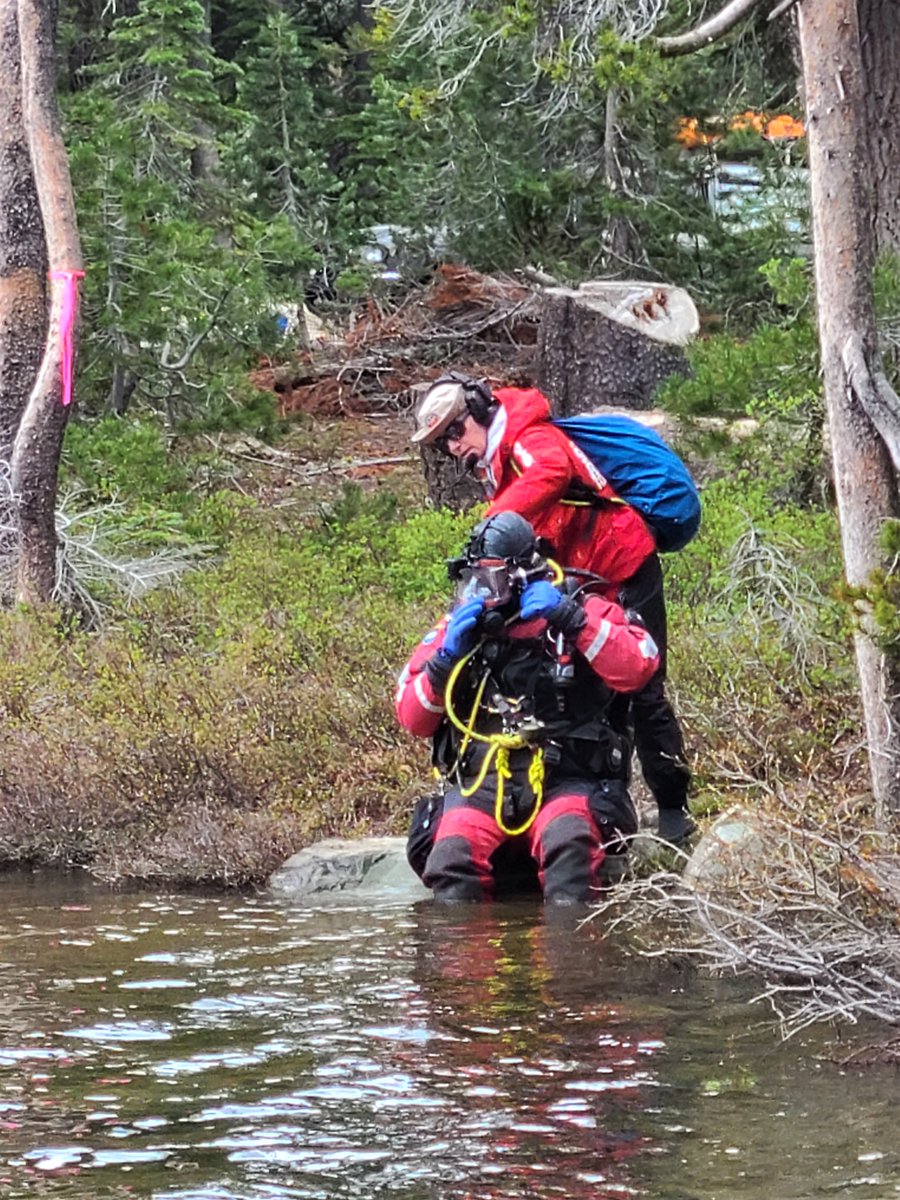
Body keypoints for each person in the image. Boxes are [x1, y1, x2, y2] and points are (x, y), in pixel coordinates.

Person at [410, 372, 695, 844]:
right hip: (580, 582)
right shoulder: (501, 464)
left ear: (478, 412)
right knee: (597, 700)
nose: (454, 448)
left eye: (455, 433)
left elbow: (552, 471)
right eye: (444, 444)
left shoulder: (528, 438)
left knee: (643, 689)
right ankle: (608, 809)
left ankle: (673, 811)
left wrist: (493, 520)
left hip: (623, 564)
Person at [394, 512, 660, 902]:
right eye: (473, 581)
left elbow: (641, 664)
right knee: (451, 859)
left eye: (492, 580)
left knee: (569, 850)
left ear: (522, 574)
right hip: (482, 787)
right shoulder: (458, 628)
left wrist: (573, 621)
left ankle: (574, 957)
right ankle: (461, 960)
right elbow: (411, 717)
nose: (482, 593)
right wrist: (446, 660)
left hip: (567, 778)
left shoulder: (579, 608)